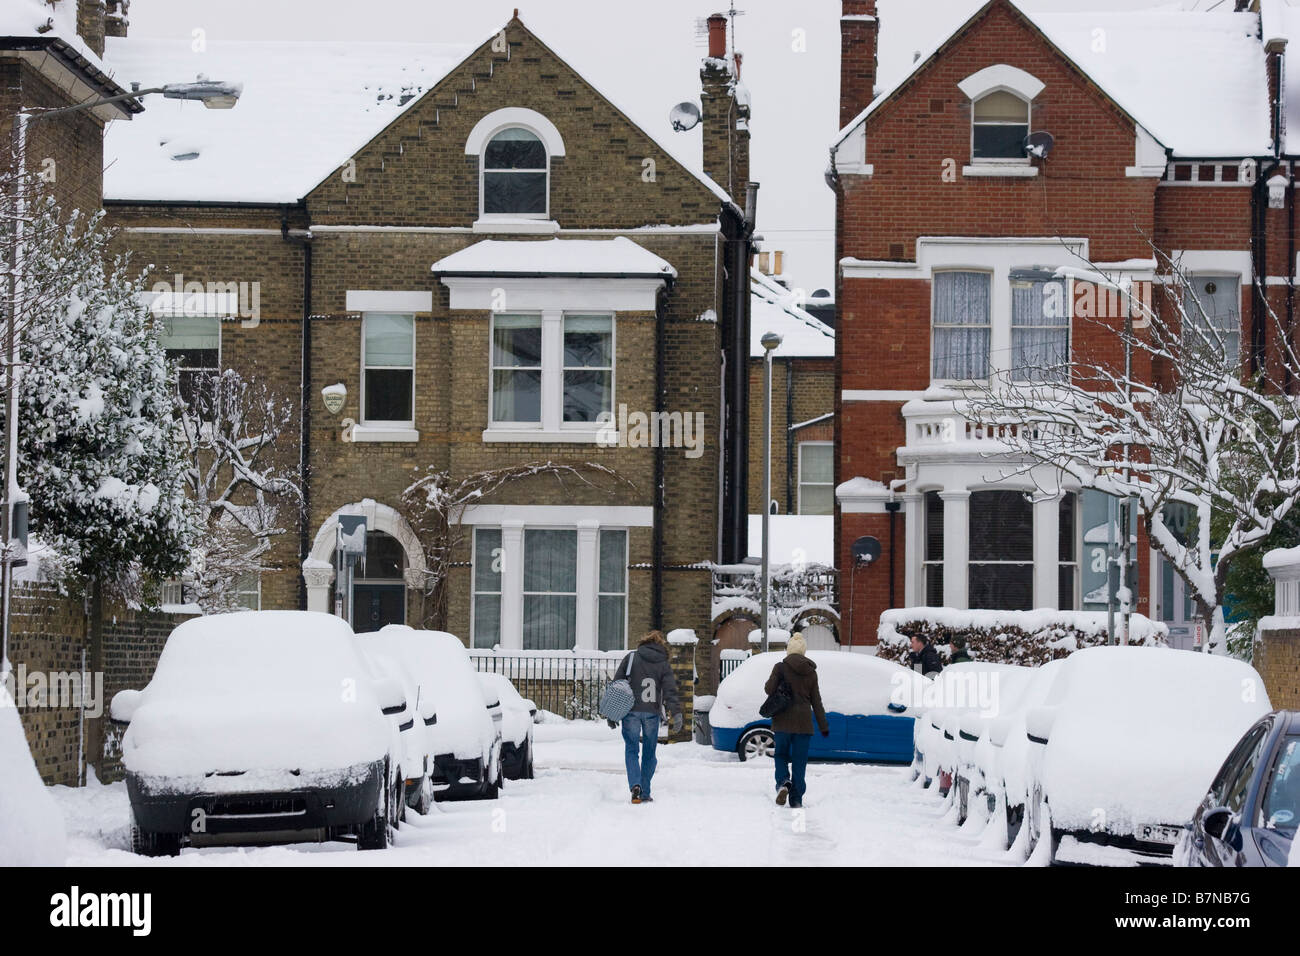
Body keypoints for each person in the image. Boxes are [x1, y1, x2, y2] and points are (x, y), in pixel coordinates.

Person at [615, 630, 682, 804]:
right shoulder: (663, 663)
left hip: (630, 711)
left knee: (631, 750)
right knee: (649, 753)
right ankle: (645, 792)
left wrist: (612, 713)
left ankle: (635, 784)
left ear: (643, 642)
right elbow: (670, 691)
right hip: (652, 713)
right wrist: (676, 713)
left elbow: (616, 685)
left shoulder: (631, 658)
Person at [764, 632, 828, 809]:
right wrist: (823, 725)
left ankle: (783, 782)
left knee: (781, 755)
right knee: (800, 760)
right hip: (804, 724)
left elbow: (769, 690)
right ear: (803, 652)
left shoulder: (780, 667)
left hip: (782, 721)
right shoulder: (811, 672)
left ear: (788, 651)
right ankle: (796, 798)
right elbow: (816, 701)